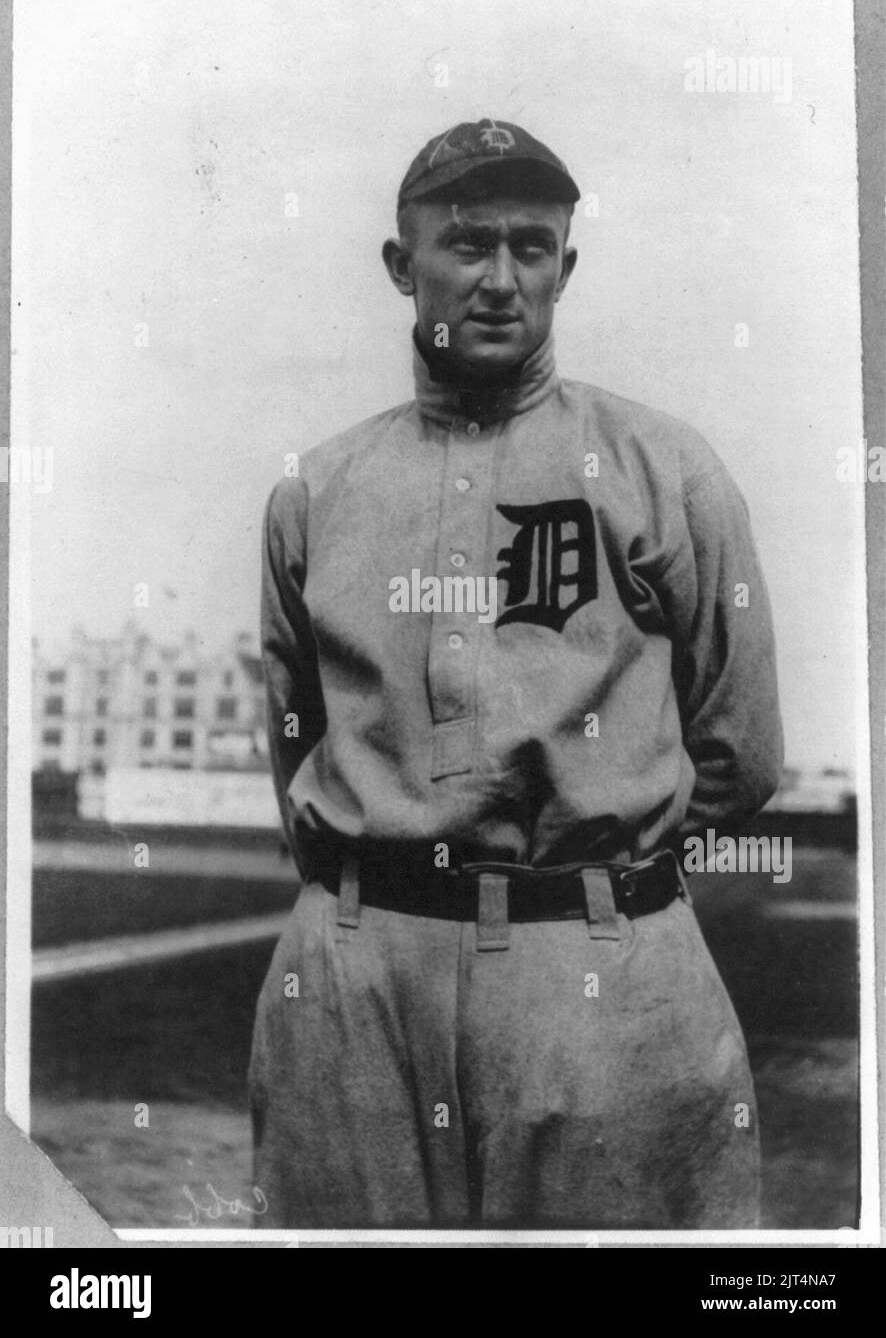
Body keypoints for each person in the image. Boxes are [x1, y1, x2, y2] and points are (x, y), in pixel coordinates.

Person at [248, 118, 783, 1229]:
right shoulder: (318, 489)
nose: (500, 279)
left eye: (531, 249)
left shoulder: (663, 468)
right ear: (403, 267)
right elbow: (294, 742)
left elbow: (739, 752)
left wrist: (592, 870)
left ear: (564, 268)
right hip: (357, 974)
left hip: (593, 962)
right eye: (467, 244)